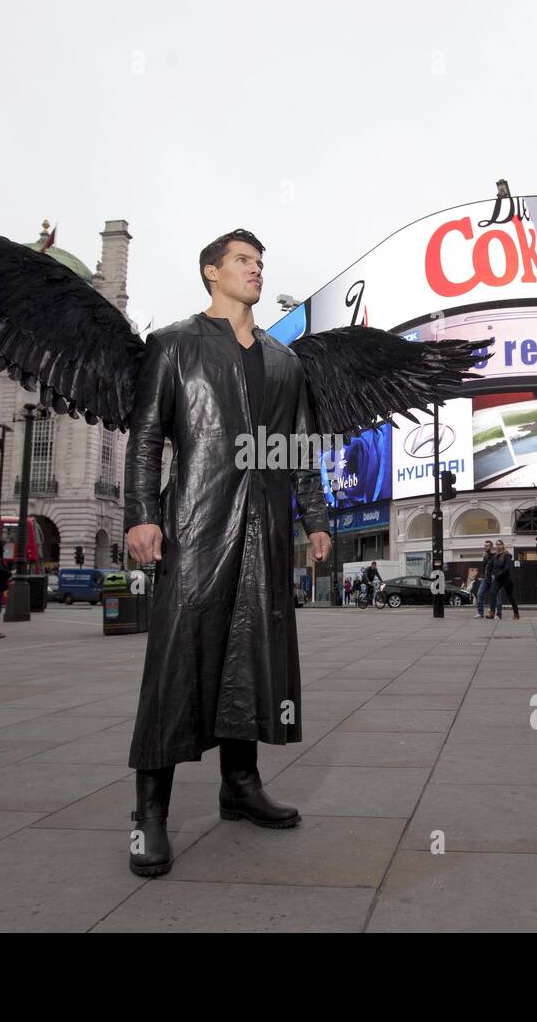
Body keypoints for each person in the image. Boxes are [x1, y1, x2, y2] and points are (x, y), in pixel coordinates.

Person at [122, 229, 332, 879]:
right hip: (195, 519)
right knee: (176, 658)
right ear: (212, 271)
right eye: (243, 260)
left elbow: (298, 447)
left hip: (264, 528)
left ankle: (240, 785)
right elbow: (147, 434)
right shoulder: (173, 345)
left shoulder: (283, 361)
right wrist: (141, 515)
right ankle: (149, 812)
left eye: (261, 262)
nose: (256, 270)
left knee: (251, 652)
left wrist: (316, 518)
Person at [489, 539, 519, 620]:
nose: (498, 546)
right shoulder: (495, 555)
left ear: (503, 545)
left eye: (499, 544)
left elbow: (507, 568)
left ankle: (516, 614)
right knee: (492, 592)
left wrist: (498, 574)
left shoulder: (507, 555)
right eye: (497, 545)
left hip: (506, 579)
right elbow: (492, 565)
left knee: (511, 596)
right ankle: (492, 613)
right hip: (497, 580)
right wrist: (491, 573)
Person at [475, 539, 494, 618]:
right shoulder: (485, 556)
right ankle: (480, 613)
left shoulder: (494, 555)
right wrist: (482, 576)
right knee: (479, 594)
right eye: (484, 546)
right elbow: (484, 567)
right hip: (485, 579)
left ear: (491, 547)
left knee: (495, 596)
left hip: (493, 579)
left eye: (487, 546)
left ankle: (497, 614)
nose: (485, 547)